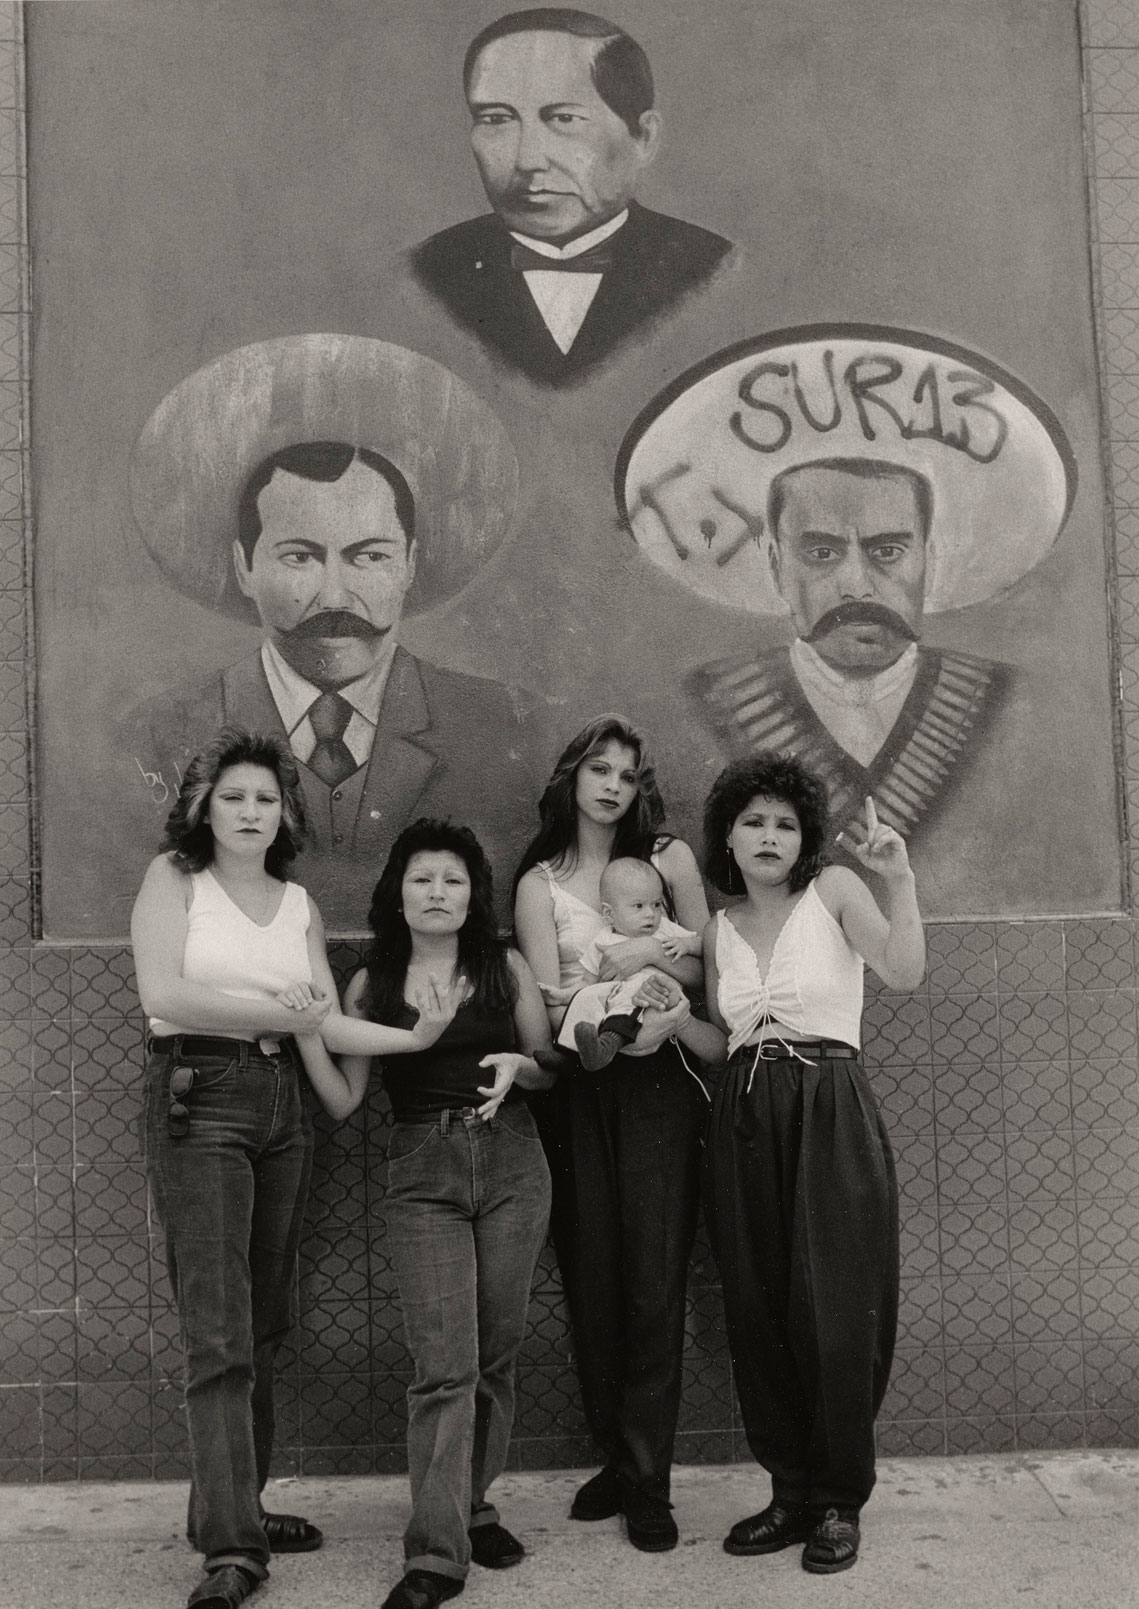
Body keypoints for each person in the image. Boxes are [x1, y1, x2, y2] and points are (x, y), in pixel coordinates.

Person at [296, 819, 555, 1609]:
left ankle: (473, 1507)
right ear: (396, 894)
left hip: (513, 1161)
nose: (437, 892)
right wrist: (308, 1028)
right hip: (422, 1171)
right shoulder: (373, 982)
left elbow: (548, 1068)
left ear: (473, 893)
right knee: (444, 1365)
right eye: (421, 878)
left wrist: (521, 1066)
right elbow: (343, 1101)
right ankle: (435, 1553)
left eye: (452, 878)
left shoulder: (502, 965)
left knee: (496, 1352)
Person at [676, 753, 925, 1574]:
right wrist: (674, 1015)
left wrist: (899, 879)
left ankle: (837, 1500)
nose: (769, 835)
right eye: (753, 821)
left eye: (784, 822)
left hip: (828, 1104)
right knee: (758, 1304)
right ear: (729, 837)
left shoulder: (836, 893)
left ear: (805, 836)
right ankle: (788, 1491)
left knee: (835, 1305)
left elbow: (901, 970)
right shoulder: (717, 930)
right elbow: (724, 1041)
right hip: (743, 1112)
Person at [131, 727, 343, 1609]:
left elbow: (324, 1013)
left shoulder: (298, 903)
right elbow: (167, 992)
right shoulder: (171, 880)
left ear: (285, 812)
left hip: (284, 1102)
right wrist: (278, 1011)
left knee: (262, 1319)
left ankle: (234, 1506)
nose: (252, 812)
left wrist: (406, 1039)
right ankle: (230, 1549)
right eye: (235, 797)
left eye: (267, 798)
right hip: (200, 1093)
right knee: (217, 1328)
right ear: (202, 807)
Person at [136, 439, 532, 926]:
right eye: (300, 558)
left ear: (409, 563)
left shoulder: (499, 725)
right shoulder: (156, 732)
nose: (335, 597)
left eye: (369, 557)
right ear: (245, 568)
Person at [513, 714, 709, 1551]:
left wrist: (649, 965)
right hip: (579, 1088)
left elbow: (711, 964)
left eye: (626, 774)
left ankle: (649, 1482)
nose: (611, 786)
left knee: (651, 1276)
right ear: (571, 776)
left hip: (660, 1083)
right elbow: (545, 1000)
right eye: (598, 768)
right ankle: (617, 1453)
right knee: (592, 1276)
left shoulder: (666, 860)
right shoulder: (537, 881)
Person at [688, 456, 1008, 840]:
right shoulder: (708, 697)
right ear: (777, 569)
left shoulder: (1000, 699)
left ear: (929, 564)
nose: (857, 585)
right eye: (822, 553)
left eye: (888, 551)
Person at [410, 8, 733, 387]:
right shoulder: (428, 269)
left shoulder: (708, 266)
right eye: (497, 119)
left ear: (644, 137)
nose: (528, 161)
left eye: (563, 119)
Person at [545, 856, 700, 1069]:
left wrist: (688, 945)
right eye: (638, 906)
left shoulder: (665, 929)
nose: (651, 914)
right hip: (613, 995)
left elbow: (703, 943)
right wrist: (564, 995)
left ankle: (605, 1048)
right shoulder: (603, 940)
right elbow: (588, 981)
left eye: (656, 904)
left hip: (650, 999)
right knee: (586, 998)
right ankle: (567, 1053)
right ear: (609, 914)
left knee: (630, 998)